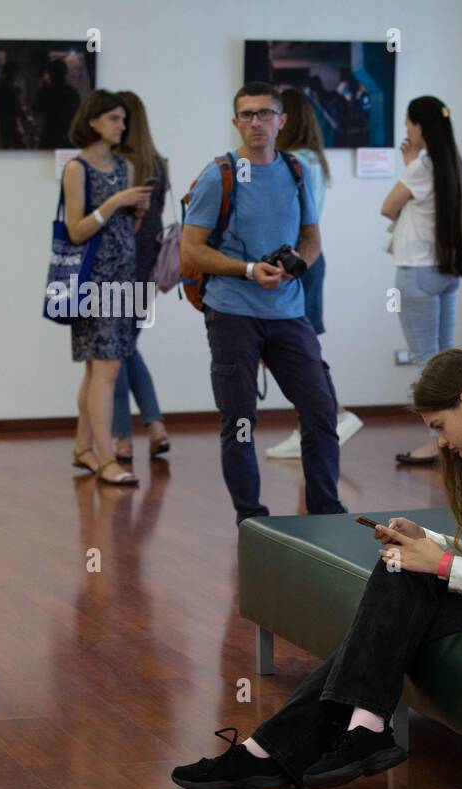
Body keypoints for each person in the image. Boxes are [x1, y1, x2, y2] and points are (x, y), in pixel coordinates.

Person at [170, 349, 462, 789]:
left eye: (440, 427)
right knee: (399, 570)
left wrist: (442, 563)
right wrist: (427, 540)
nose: (441, 442)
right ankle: (357, 729)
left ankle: (276, 750)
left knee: (389, 625)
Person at [181, 82, 346, 524]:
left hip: (289, 312)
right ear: (236, 122)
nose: (257, 122)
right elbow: (191, 250)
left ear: (282, 120)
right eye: (247, 115)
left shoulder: (296, 170)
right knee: (239, 419)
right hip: (232, 311)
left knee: (320, 409)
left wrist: (297, 266)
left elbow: (311, 237)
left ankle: (327, 512)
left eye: (265, 113)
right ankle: (251, 518)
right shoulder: (219, 174)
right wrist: (249, 269)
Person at [266, 87, 365, 461]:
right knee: (301, 347)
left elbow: (287, 216)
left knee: (298, 348)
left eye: (271, 114)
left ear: (285, 119)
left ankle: (328, 417)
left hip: (296, 261)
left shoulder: (295, 161)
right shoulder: (311, 159)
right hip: (305, 259)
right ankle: (316, 422)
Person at [62, 90, 153, 487]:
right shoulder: (77, 168)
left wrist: (136, 213)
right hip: (92, 279)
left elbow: (126, 231)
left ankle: (83, 448)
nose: (121, 125)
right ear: (93, 120)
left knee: (98, 367)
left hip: (123, 275)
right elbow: (76, 230)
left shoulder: (124, 166)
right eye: (114, 118)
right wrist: (115, 202)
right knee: (107, 366)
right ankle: (105, 457)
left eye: (123, 119)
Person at [382, 96, 462, 465]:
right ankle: (459, 437)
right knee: (444, 358)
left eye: (408, 125)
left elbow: (388, 207)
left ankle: (438, 441)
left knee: (427, 363)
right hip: (445, 271)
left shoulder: (421, 165)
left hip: (415, 271)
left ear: (419, 126)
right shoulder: (453, 164)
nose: (407, 131)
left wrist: (409, 164)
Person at [110, 90, 171, 464]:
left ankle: (123, 439)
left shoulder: (117, 165)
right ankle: (155, 425)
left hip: (117, 268)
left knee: (114, 354)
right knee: (126, 349)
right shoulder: (158, 164)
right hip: (148, 268)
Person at [34, 59, 82, 149]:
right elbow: (79, 113)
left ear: (50, 74)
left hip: (49, 135)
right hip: (66, 136)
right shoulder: (71, 93)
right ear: (64, 74)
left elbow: (36, 110)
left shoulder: (45, 92)